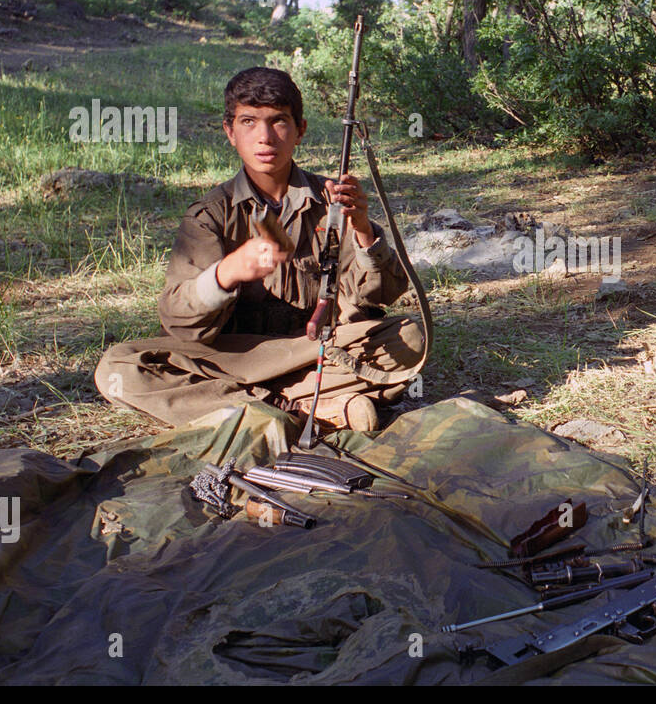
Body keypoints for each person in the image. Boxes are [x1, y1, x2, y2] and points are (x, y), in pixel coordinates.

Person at [95, 67, 423, 432]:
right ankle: (297, 408)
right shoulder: (210, 215)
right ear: (229, 131)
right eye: (249, 121)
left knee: (411, 339)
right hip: (232, 357)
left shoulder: (331, 201)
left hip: (313, 350)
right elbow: (178, 323)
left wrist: (362, 230)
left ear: (300, 130)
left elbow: (385, 294)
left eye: (278, 121)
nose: (265, 137)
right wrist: (227, 273)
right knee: (119, 368)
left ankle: (253, 409)